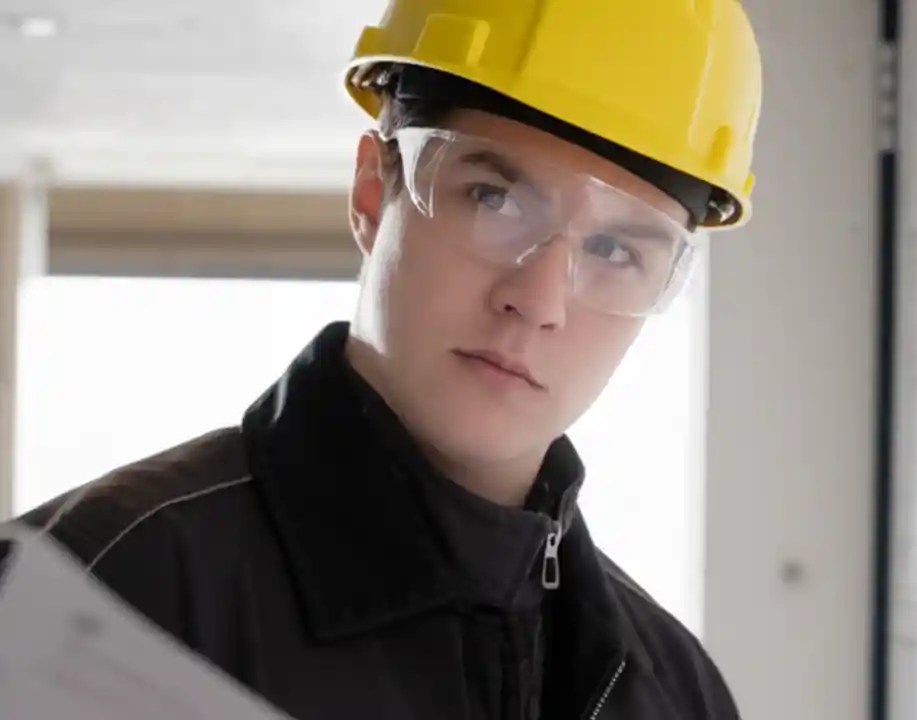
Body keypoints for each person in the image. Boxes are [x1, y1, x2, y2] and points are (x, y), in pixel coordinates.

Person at [4, 0, 762, 717]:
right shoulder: (92, 592)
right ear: (374, 190)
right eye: (493, 198)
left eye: (615, 249)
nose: (540, 300)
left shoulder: (674, 690)